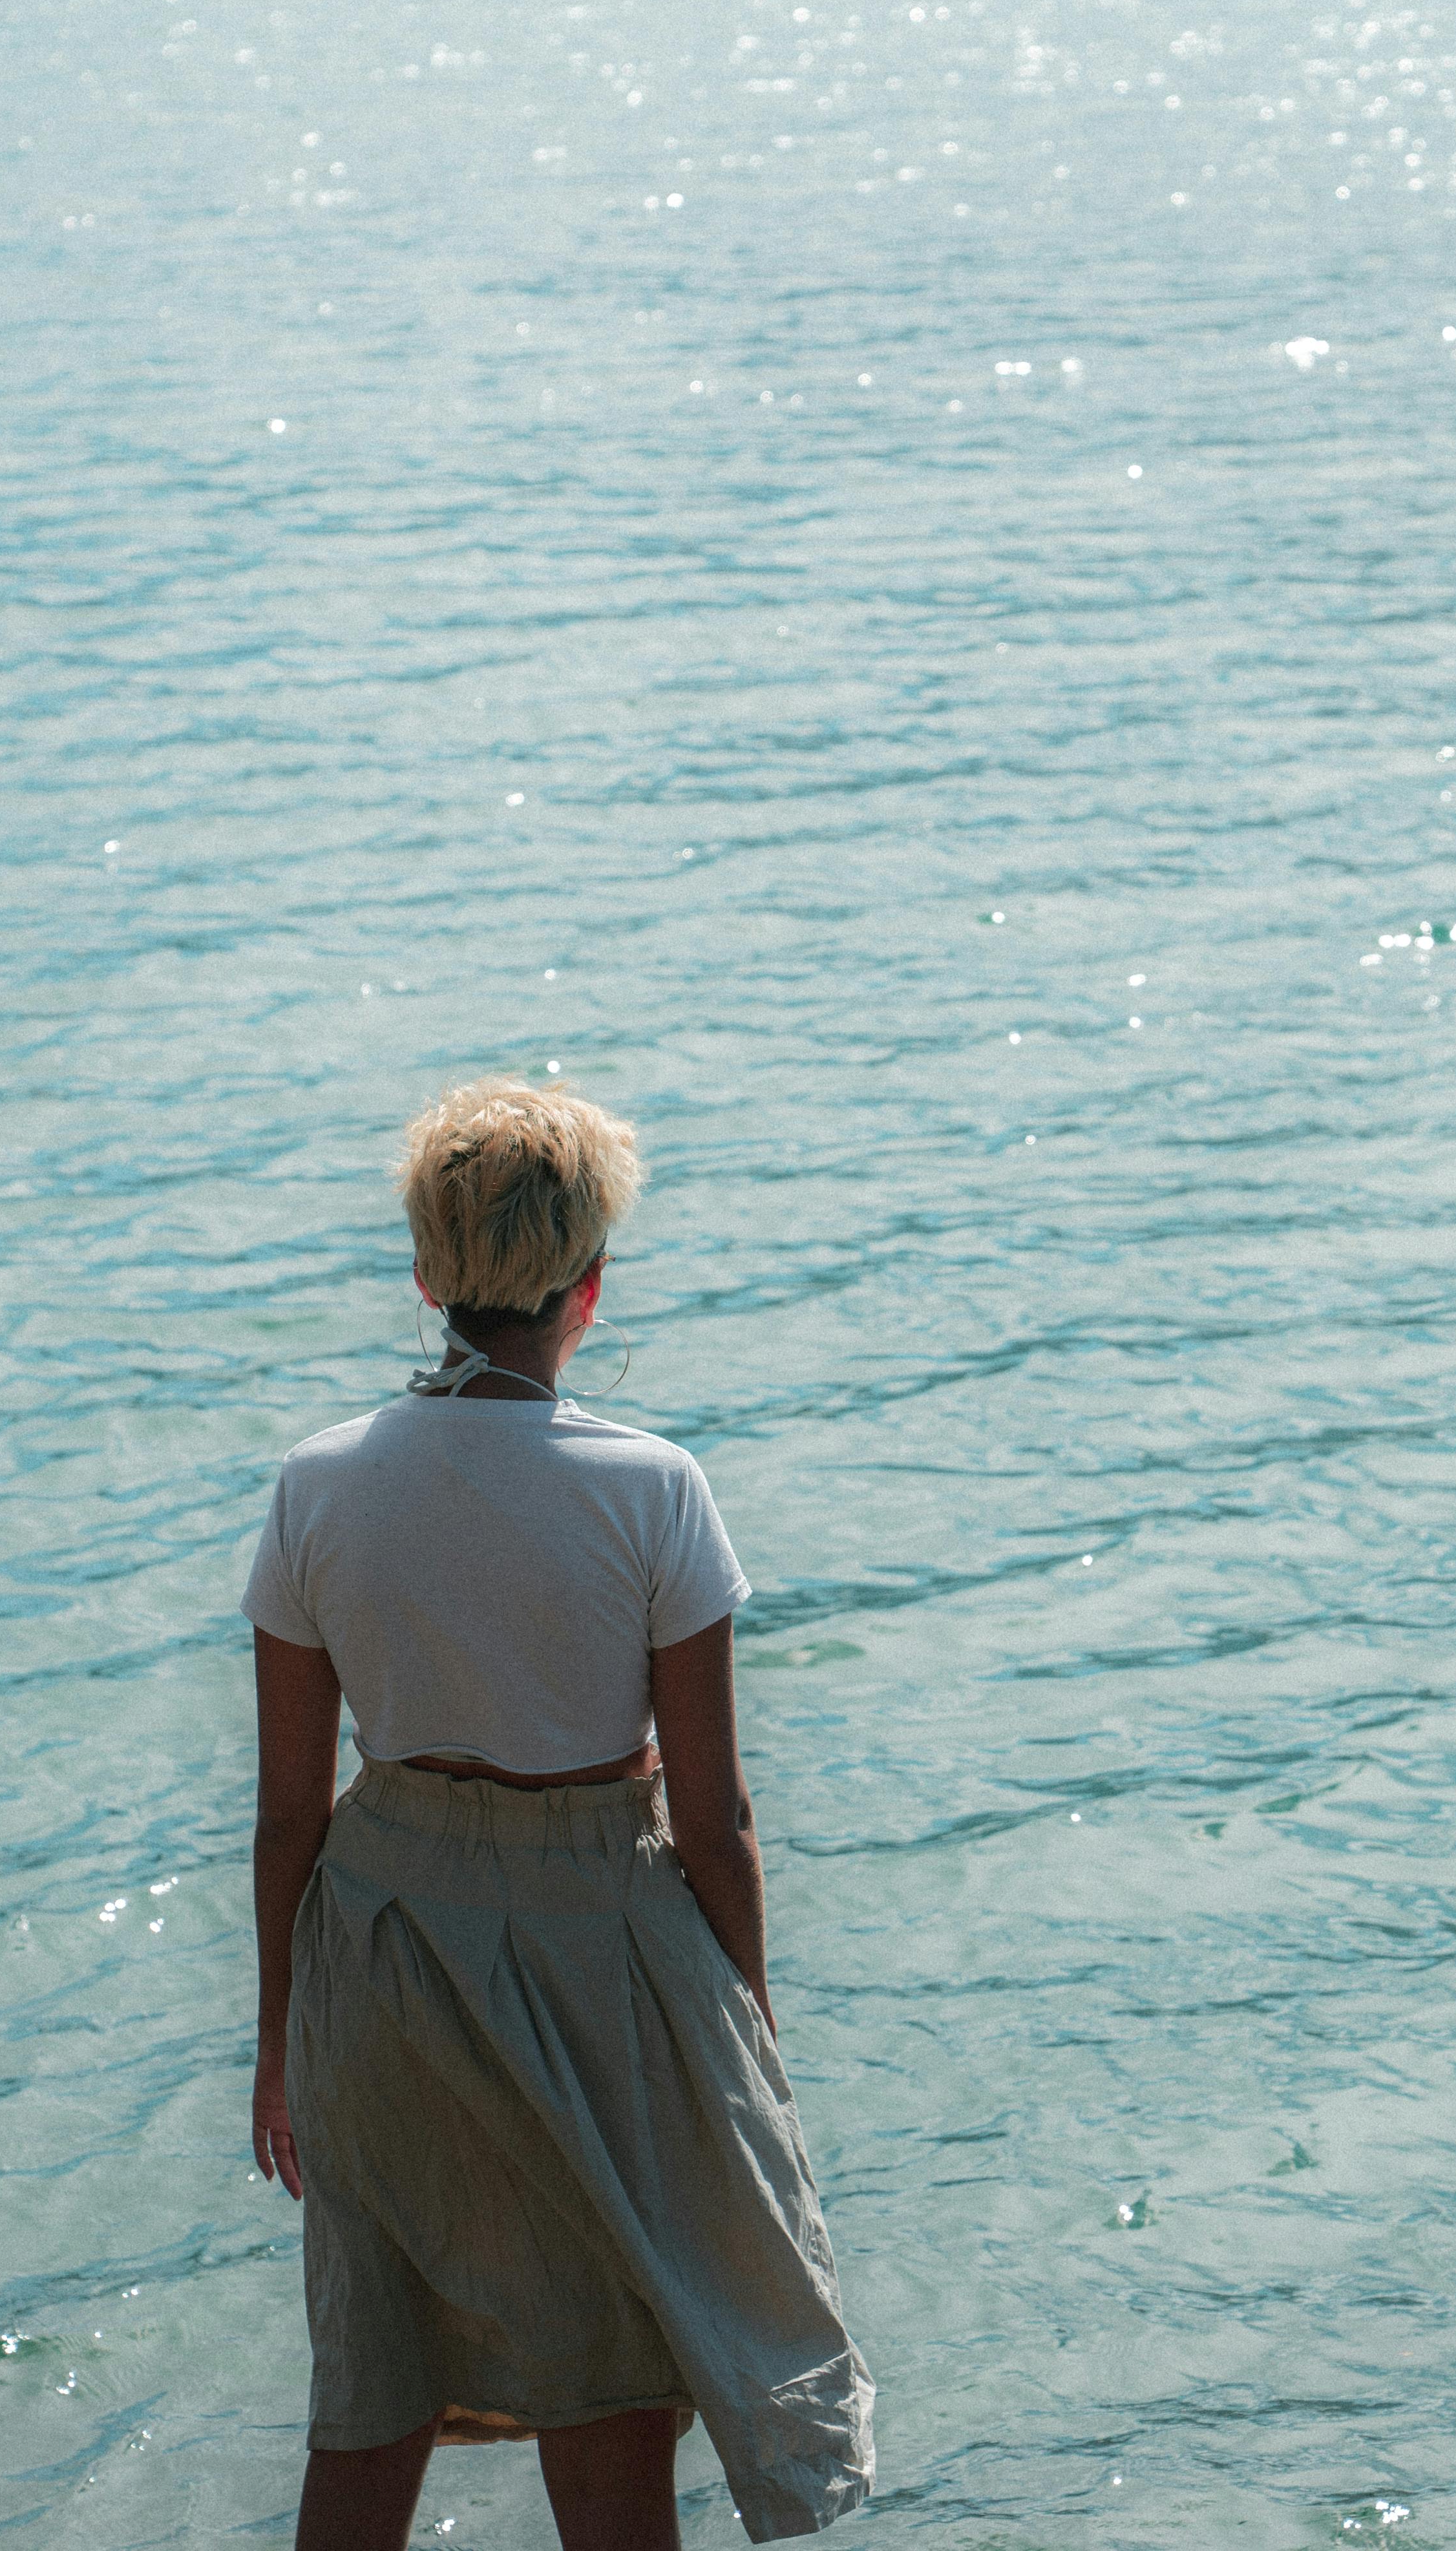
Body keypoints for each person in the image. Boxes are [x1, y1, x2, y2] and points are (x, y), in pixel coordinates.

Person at [243, 1079, 874, 2551]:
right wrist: (749, 2030)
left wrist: (279, 2040)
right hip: (591, 1950)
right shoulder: (652, 1489)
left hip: (379, 1946)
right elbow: (712, 1812)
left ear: (425, 1278)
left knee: (372, 2391)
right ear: (588, 1286)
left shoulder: (317, 1485)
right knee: (609, 2400)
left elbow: (287, 1813)